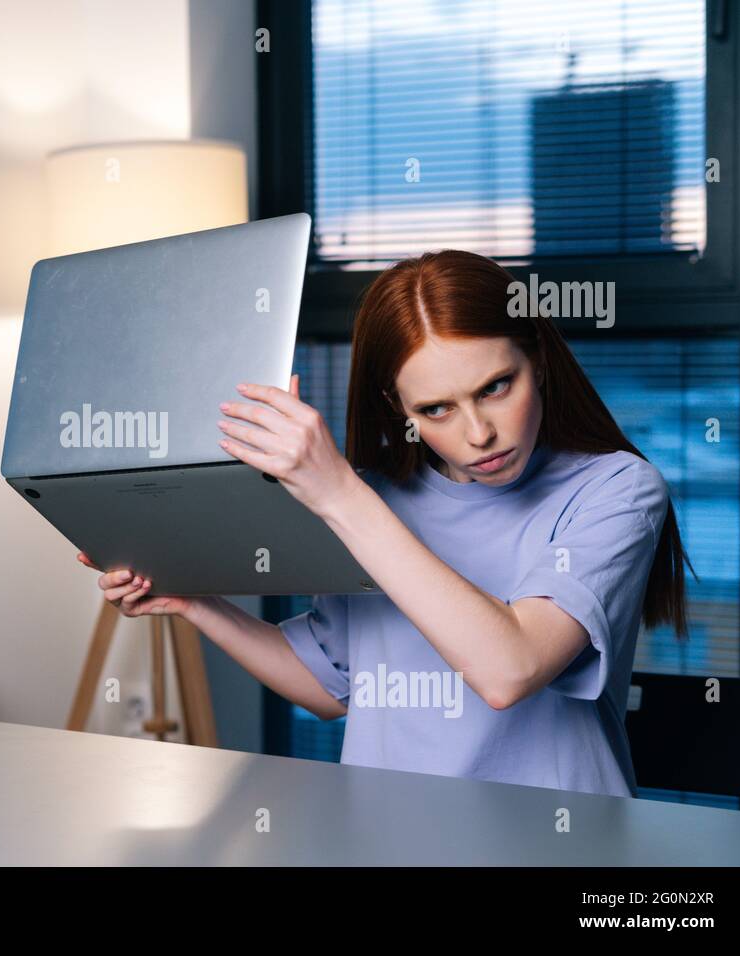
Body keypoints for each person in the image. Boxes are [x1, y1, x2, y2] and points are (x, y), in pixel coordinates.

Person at [78, 249, 695, 798]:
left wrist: (340, 494)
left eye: (497, 386)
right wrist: (196, 603)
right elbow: (333, 687)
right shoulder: (373, 501)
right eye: (436, 409)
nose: (479, 433)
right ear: (397, 409)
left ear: (539, 361)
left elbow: (511, 669)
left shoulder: (616, 489)